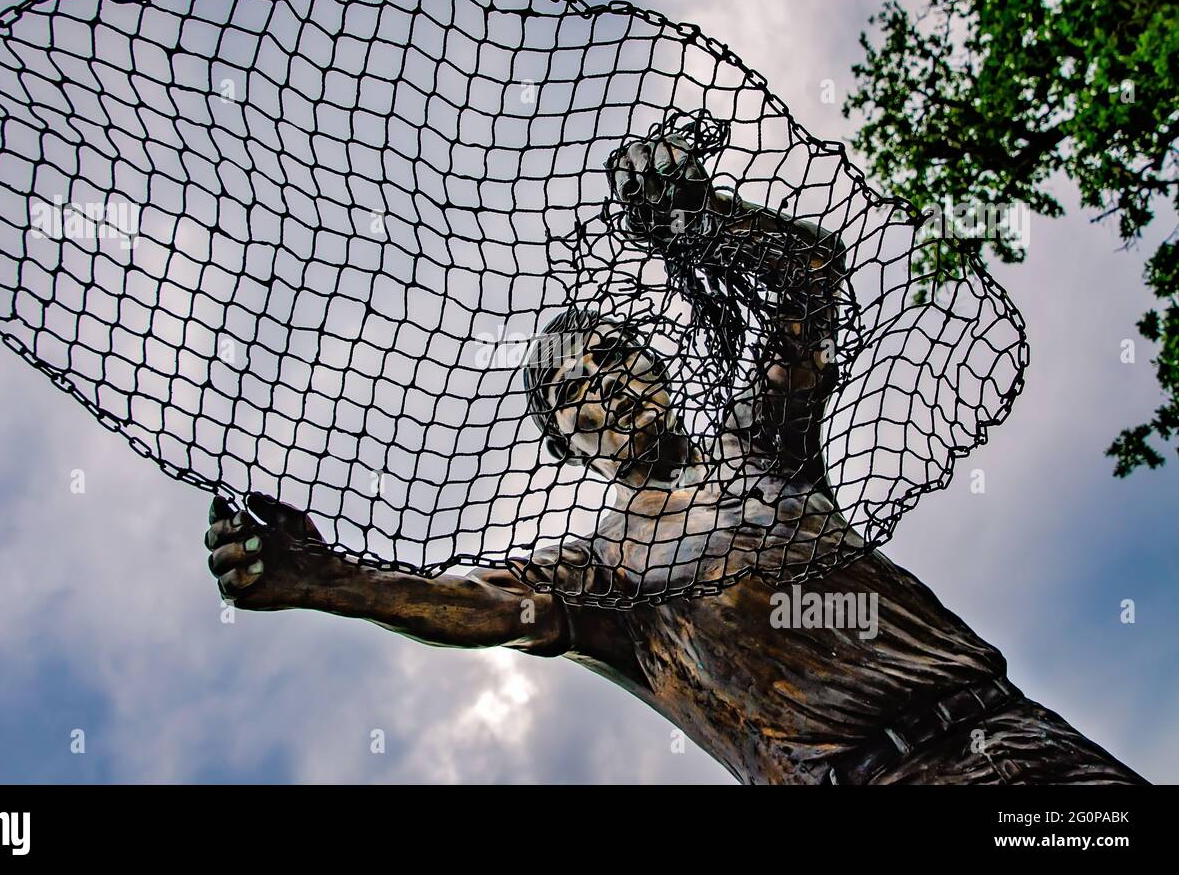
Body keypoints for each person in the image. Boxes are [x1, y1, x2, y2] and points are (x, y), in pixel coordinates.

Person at [202, 129, 1146, 784]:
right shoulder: (603, 567)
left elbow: (809, 292)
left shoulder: (761, 451)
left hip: (1023, 735)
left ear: (655, 364)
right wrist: (330, 580)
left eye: (613, 358)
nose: (602, 385)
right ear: (566, 443)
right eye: (572, 394)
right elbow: (490, 607)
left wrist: (702, 222)